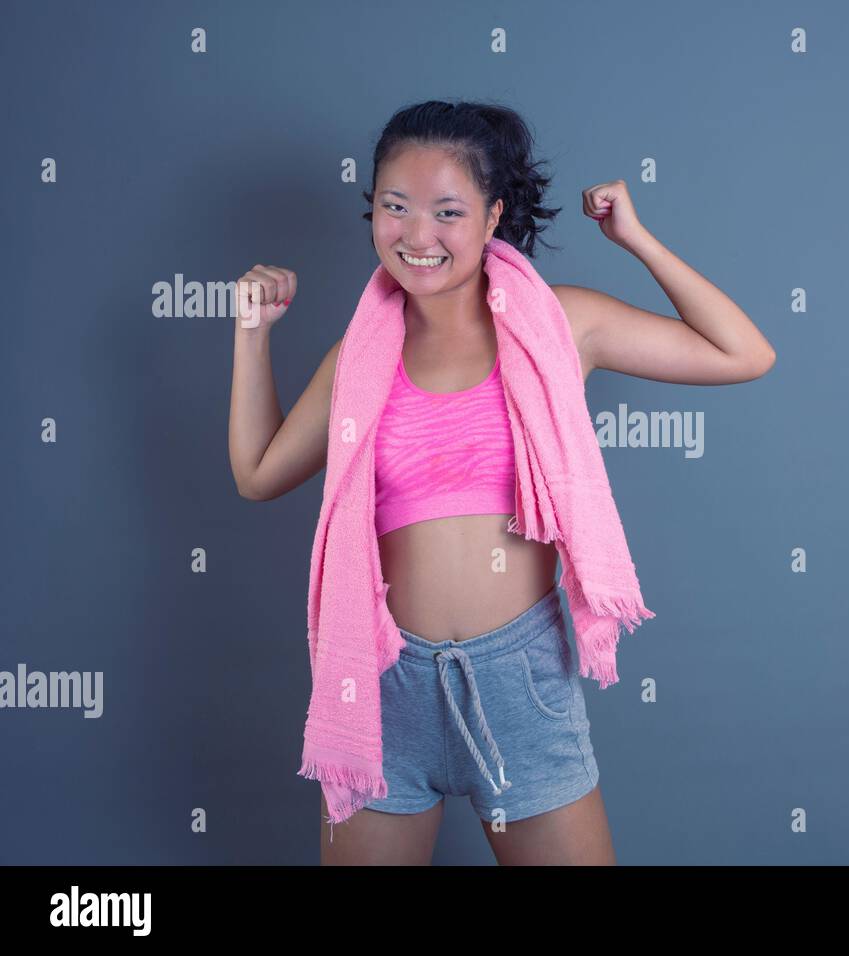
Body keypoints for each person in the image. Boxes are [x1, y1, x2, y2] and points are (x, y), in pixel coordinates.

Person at [227, 99, 776, 865]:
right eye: (395, 207)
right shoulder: (359, 356)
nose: (417, 236)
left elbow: (743, 353)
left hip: (520, 682)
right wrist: (251, 336)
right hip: (384, 684)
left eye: (447, 211)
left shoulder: (561, 324)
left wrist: (636, 240)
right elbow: (257, 473)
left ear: (493, 218)